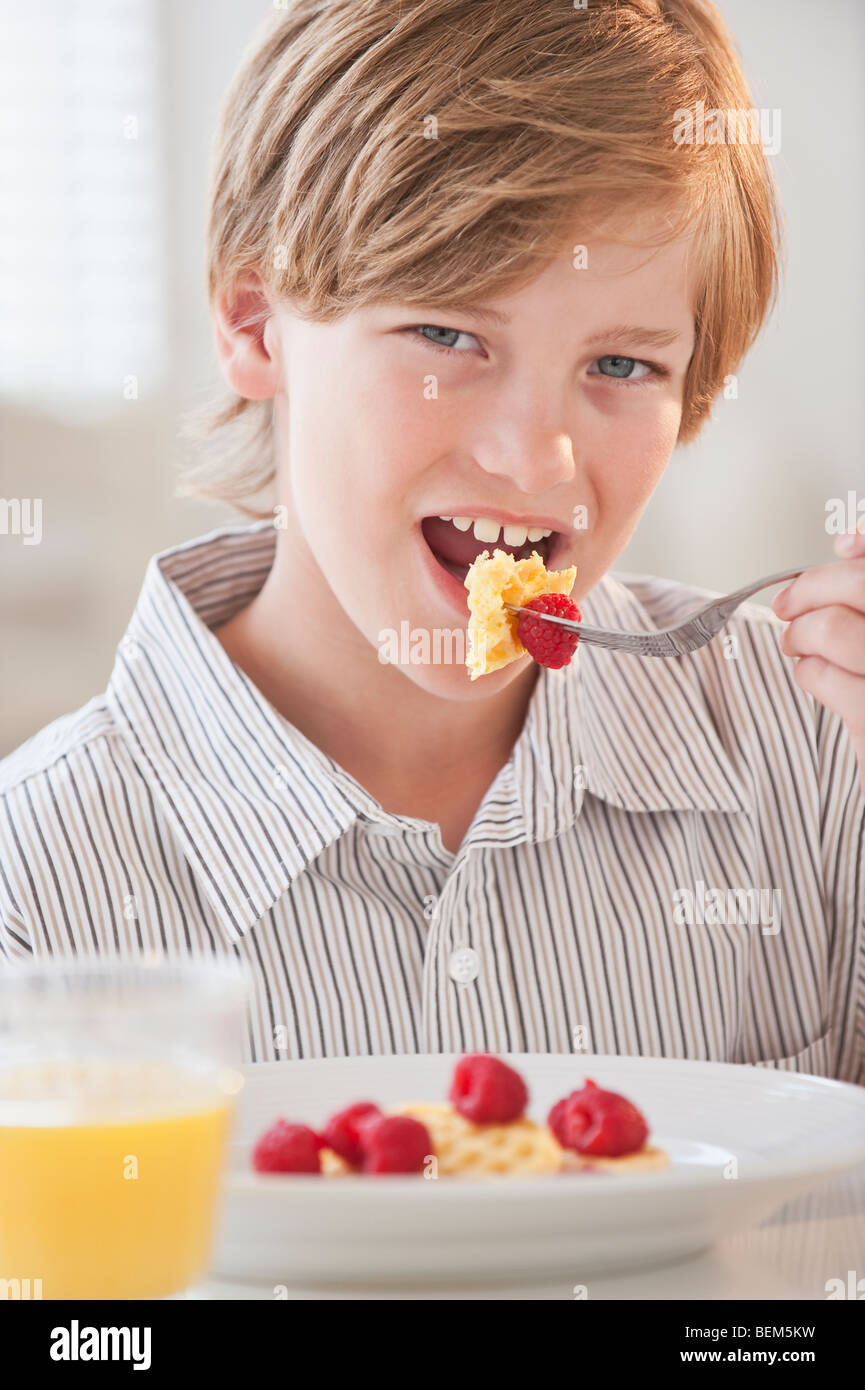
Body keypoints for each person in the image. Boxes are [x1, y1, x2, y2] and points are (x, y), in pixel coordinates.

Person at [1, 0, 863, 1080]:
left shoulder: (820, 750)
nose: (533, 459)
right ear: (255, 324)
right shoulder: (33, 886)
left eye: (620, 366)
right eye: (448, 334)